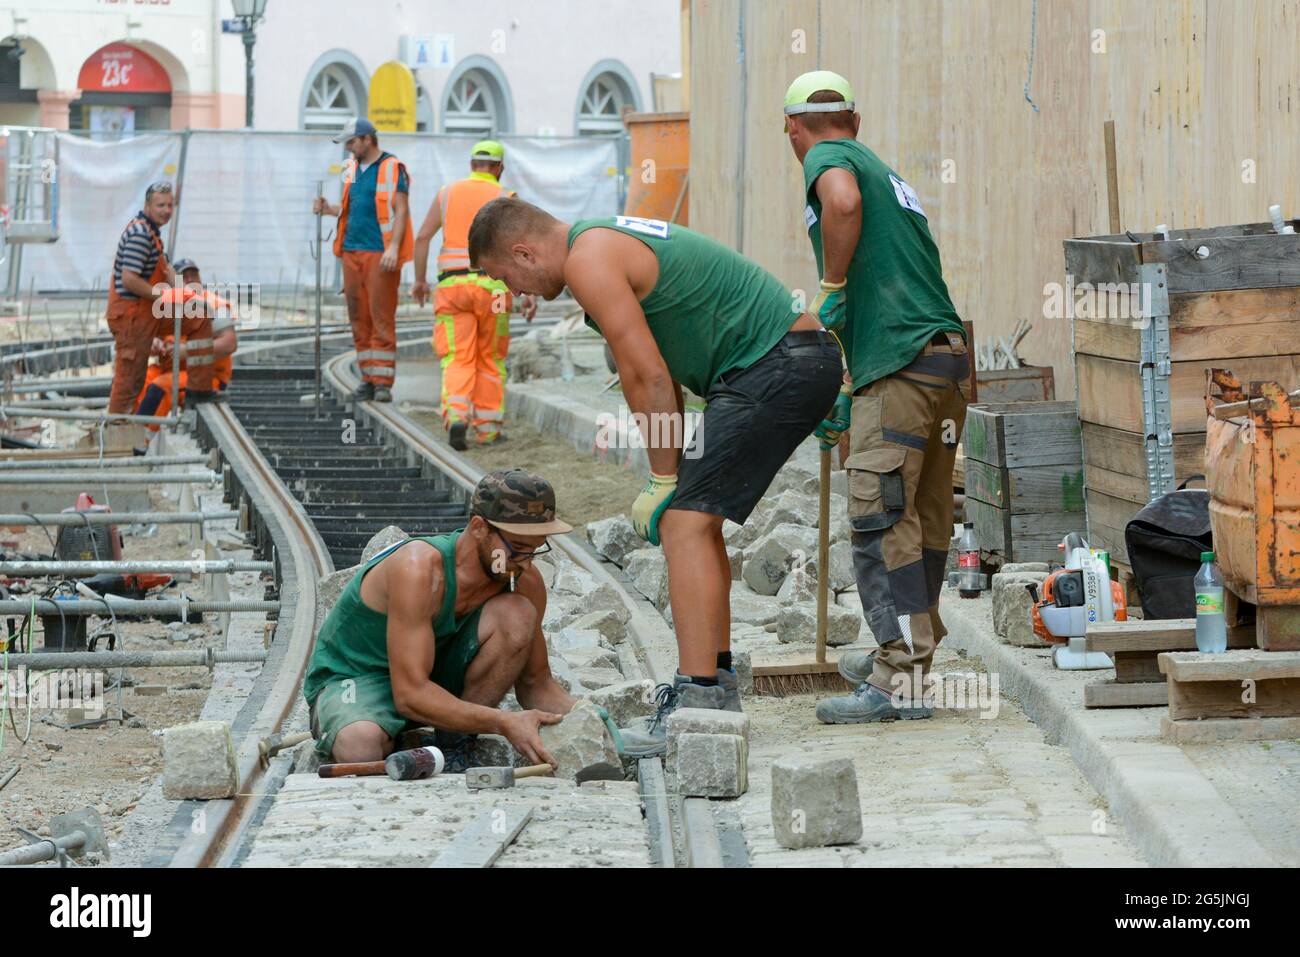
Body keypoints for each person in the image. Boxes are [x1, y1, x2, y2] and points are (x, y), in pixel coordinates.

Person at [467, 199, 843, 756]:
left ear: (524, 251)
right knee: (698, 522)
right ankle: (714, 685)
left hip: (776, 363)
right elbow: (653, 373)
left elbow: (648, 375)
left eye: (508, 277)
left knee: (684, 522)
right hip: (784, 359)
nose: (517, 292)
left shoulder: (587, 261)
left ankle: (698, 697)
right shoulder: (597, 243)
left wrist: (663, 477)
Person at [782, 70, 970, 724]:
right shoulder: (885, 171)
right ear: (856, 119)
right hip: (939, 360)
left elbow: (841, 204)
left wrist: (830, 280)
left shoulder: (828, 158)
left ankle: (898, 679)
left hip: (901, 365)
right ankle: (911, 663)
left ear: (794, 131)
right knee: (919, 517)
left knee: (880, 517)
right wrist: (846, 378)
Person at [303, 469, 579, 770]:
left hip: (431, 682)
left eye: (536, 550)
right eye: (517, 549)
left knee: (519, 613)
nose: (525, 562)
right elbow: (409, 695)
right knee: (359, 744)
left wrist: (588, 716)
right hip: (358, 679)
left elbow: (536, 684)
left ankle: (454, 745)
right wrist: (503, 722)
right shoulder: (419, 569)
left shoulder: (522, 578)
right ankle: (391, 734)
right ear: (478, 528)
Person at [411, 140, 536, 450]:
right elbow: (523, 251)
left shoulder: (447, 193)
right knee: (491, 358)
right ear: (499, 167)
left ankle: (456, 417)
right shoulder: (506, 198)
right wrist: (528, 292)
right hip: (493, 290)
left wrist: (419, 282)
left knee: (457, 357)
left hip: (453, 289)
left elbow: (423, 237)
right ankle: (489, 429)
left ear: (472, 165)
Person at [312, 117, 411, 403]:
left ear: (368, 139)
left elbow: (401, 211)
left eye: (352, 142)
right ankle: (368, 377)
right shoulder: (349, 169)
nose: (348, 148)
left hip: (379, 253)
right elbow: (348, 208)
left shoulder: (394, 168)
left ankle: (382, 382)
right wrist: (328, 209)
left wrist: (393, 248)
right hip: (351, 251)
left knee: (380, 316)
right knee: (359, 318)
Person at [106, 182, 184, 414]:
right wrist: (165, 294)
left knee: (134, 378)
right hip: (132, 316)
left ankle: (125, 427)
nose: (166, 210)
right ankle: (116, 432)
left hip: (141, 315)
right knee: (128, 378)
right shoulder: (141, 234)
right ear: (147, 205)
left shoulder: (152, 235)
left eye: (170, 205)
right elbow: (129, 279)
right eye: (160, 205)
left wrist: (176, 288)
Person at [134, 258, 237, 427]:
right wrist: (153, 344)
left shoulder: (214, 305)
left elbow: (229, 343)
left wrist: (186, 351)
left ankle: (140, 445)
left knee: (160, 388)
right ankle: (124, 432)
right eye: (184, 276)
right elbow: (151, 337)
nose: (189, 280)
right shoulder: (167, 307)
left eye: (193, 275)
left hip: (207, 377)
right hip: (171, 370)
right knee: (137, 381)